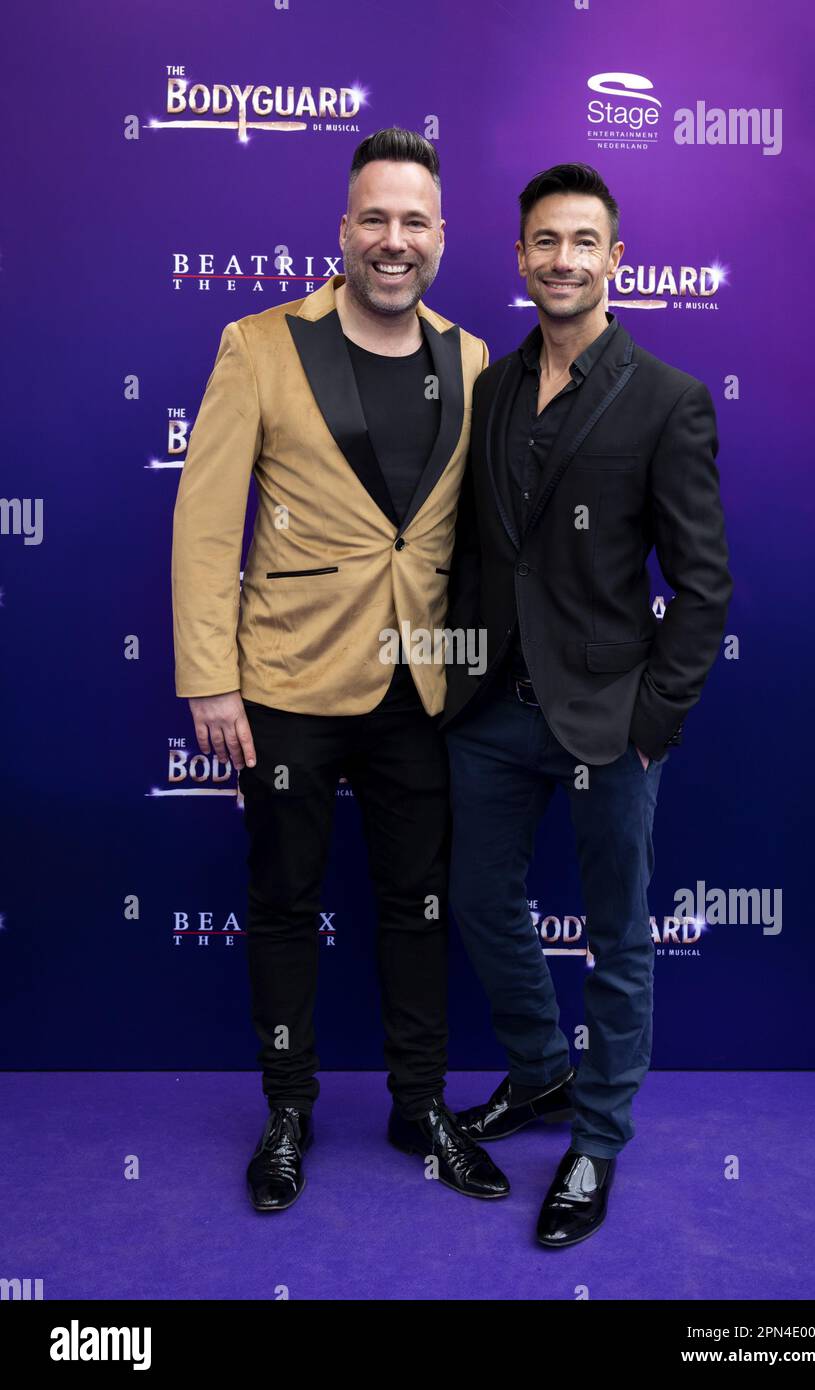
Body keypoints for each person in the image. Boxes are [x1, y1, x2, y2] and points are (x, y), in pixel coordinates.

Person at [171, 127, 508, 1211]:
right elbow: (204, 523)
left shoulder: (467, 358)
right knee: (283, 899)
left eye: (414, 221)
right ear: (343, 229)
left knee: (417, 905)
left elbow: (457, 541)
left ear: (441, 237)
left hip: (420, 682)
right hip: (284, 682)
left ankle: (420, 1106)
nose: (392, 239)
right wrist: (208, 679)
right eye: (374, 217)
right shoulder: (259, 343)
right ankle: (287, 1107)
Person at [441, 162, 734, 1247]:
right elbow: (476, 556)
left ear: (615, 258)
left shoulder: (665, 397)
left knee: (616, 935)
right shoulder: (490, 389)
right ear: (518, 257)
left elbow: (702, 584)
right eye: (541, 242)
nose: (560, 260)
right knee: (477, 897)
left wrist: (652, 721)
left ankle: (597, 1135)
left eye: (582, 242)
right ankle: (540, 1073)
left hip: (612, 716)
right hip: (490, 709)